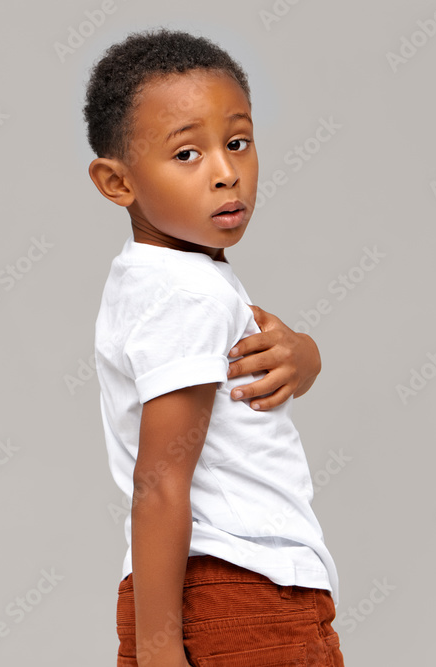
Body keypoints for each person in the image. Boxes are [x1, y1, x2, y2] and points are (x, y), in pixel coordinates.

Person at [85, 27, 345, 666]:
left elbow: (250, 383)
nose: (227, 172)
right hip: (242, 593)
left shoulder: (161, 277)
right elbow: (161, 478)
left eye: (238, 143)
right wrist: (159, 651)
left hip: (209, 594)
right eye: (186, 155)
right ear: (117, 183)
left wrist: (303, 357)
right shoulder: (187, 292)